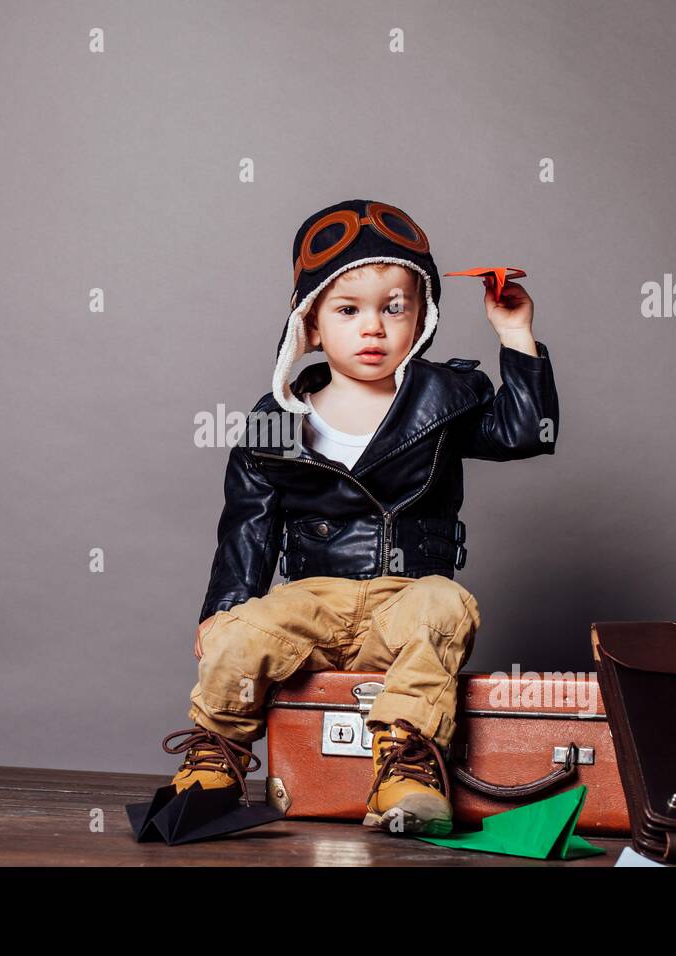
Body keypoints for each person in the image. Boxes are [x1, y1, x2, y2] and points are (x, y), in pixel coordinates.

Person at [162, 199, 560, 834]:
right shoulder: (278, 419)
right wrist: (223, 608)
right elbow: (247, 524)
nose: (372, 328)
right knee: (241, 633)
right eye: (348, 311)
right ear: (310, 326)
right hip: (312, 601)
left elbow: (526, 432)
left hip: (404, 597)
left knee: (446, 605)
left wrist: (515, 334)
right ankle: (217, 756)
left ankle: (405, 768)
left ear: (421, 319)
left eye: (393, 309)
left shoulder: (444, 398)